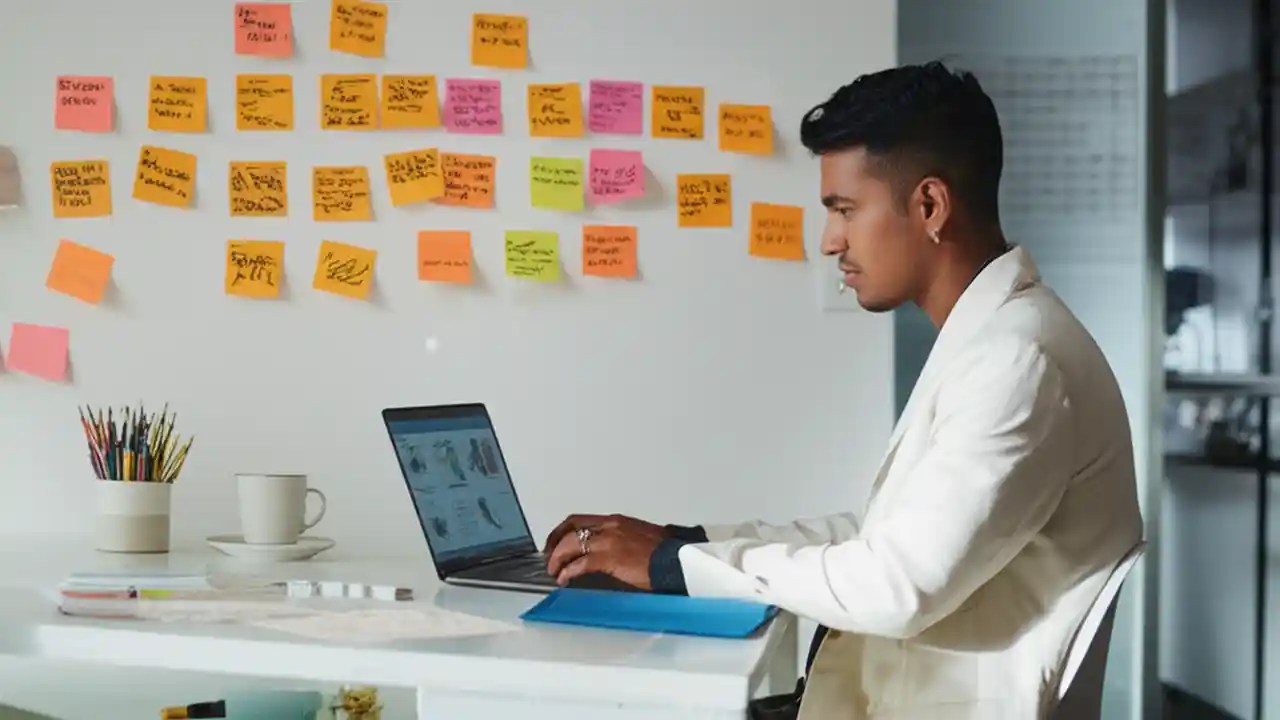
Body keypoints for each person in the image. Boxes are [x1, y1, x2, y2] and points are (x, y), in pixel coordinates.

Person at [543, 61, 1143, 720]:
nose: (831, 240)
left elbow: (895, 585)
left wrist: (673, 564)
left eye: (845, 210)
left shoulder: (1018, 359)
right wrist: (682, 544)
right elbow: (879, 537)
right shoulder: (995, 339)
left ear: (930, 206)